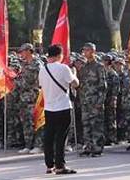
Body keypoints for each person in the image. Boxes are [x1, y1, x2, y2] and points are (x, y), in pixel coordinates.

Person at [38, 44, 79, 175]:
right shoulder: (63, 68)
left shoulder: (42, 70)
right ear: (59, 55)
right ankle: (60, 165)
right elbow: (75, 84)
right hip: (63, 107)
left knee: (49, 137)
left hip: (49, 108)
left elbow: (41, 86)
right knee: (61, 137)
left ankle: (49, 165)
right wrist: (74, 74)